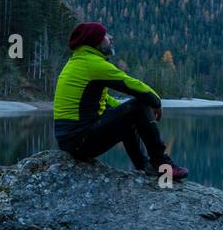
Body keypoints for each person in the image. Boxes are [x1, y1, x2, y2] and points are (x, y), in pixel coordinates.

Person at [53, 22, 188, 179]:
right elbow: (130, 84)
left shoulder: (78, 62)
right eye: (105, 35)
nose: (110, 37)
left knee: (130, 115)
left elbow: (103, 100)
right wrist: (155, 101)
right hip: (79, 140)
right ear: (94, 41)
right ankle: (161, 163)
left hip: (72, 141)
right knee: (140, 104)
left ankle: (144, 166)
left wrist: (130, 111)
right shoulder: (92, 64)